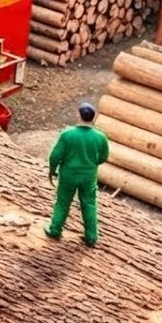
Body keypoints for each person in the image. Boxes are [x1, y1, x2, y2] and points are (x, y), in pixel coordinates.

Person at [45, 102, 109, 248]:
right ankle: (91, 237)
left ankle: (55, 230)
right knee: (89, 204)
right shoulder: (101, 137)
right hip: (89, 176)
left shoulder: (68, 134)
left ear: (79, 115)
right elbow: (104, 157)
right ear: (93, 118)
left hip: (68, 175)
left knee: (62, 202)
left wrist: (52, 170)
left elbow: (55, 156)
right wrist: (91, 164)